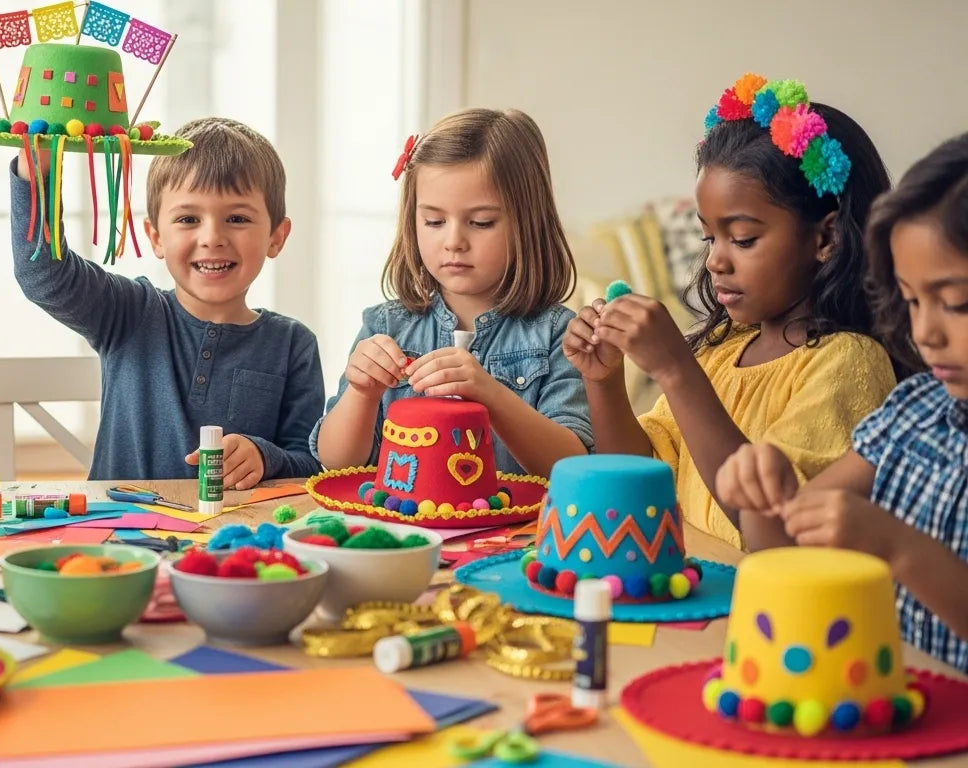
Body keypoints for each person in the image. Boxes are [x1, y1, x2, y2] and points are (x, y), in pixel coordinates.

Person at [564, 74, 896, 550]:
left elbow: (773, 526)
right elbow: (640, 485)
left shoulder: (848, 363)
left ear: (825, 238)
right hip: (689, 603)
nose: (716, 260)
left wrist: (676, 370)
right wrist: (603, 380)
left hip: (761, 614)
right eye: (710, 238)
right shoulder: (724, 352)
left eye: (742, 238)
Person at [716, 132, 968, 672]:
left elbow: (890, 545)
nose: (926, 333)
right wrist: (768, 489)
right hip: (893, 713)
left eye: (956, 304)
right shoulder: (915, 412)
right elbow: (779, 547)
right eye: (911, 300)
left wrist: (898, 548)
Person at [10, 117, 323, 488]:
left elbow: (310, 462)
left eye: (237, 218)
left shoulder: (293, 345)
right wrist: (38, 172)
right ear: (156, 237)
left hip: (230, 540)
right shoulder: (128, 312)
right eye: (189, 219)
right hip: (123, 538)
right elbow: (42, 272)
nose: (212, 237)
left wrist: (263, 456)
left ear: (276, 237)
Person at [312, 107, 592, 477]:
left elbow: (572, 465)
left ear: (527, 222)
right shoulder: (385, 326)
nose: (454, 241)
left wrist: (490, 395)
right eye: (434, 221)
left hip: (518, 534)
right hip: (407, 532)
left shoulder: (558, 334)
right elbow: (336, 462)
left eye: (480, 222)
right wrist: (362, 395)